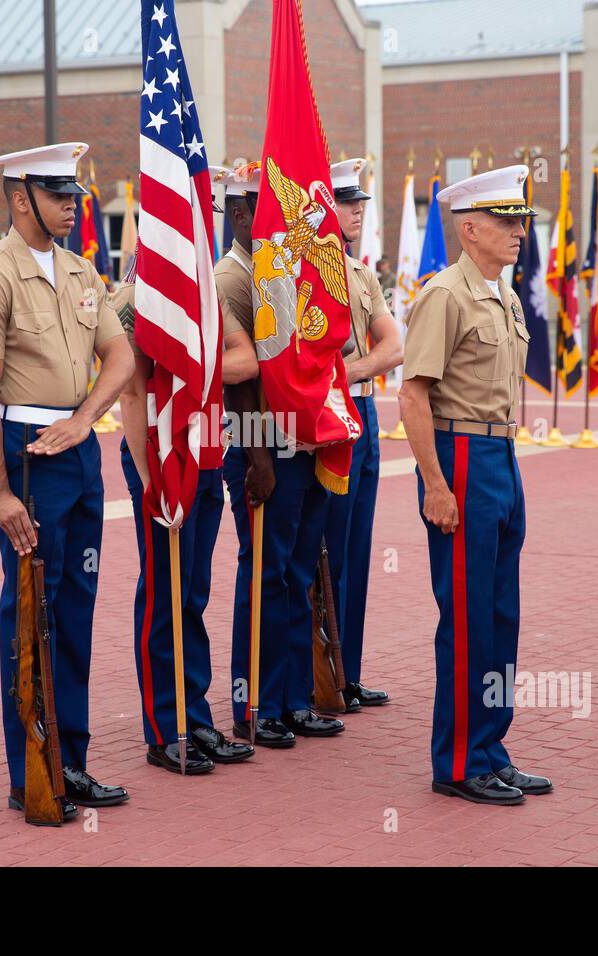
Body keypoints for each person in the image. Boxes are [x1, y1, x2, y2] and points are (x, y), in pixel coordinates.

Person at [0, 141, 134, 812]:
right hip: (27, 451)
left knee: (75, 608)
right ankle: (30, 766)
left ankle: (73, 759)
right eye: (59, 195)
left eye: (74, 195)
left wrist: (88, 417)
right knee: (31, 609)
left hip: (77, 451)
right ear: (19, 197)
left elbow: (118, 356)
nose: (71, 206)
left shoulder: (82, 273)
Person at [397, 165, 552, 805]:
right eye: (505, 222)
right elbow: (412, 396)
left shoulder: (505, 296)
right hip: (458, 457)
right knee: (466, 618)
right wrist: (435, 484)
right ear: (470, 229)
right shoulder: (445, 295)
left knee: (500, 614)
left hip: (501, 457)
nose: (518, 232)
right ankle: (459, 762)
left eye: (520, 221)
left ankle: (491, 748)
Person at [113, 181, 258, 773]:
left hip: (203, 448)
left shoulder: (204, 296)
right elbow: (128, 389)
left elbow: (249, 357)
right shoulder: (134, 298)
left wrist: (196, 369)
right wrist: (151, 481)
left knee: (193, 591)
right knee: (163, 591)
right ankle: (162, 727)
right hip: (157, 455)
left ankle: (195, 717)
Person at [214, 162, 344, 747]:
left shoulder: (283, 266)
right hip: (262, 444)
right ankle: (255, 703)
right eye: (267, 212)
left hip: (304, 438)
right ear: (240, 214)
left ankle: (292, 698)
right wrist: (259, 456)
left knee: (294, 571)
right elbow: (238, 378)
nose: (282, 223)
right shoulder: (230, 278)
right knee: (263, 571)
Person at [323, 159, 402, 709]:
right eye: (347, 201)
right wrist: (345, 376)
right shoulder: (306, 269)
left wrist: (346, 372)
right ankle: (315, 671)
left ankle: (345, 671)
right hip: (327, 419)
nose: (357, 211)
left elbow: (393, 347)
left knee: (355, 548)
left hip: (363, 411)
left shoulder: (361, 273)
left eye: (359, 203)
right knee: (323, 547)